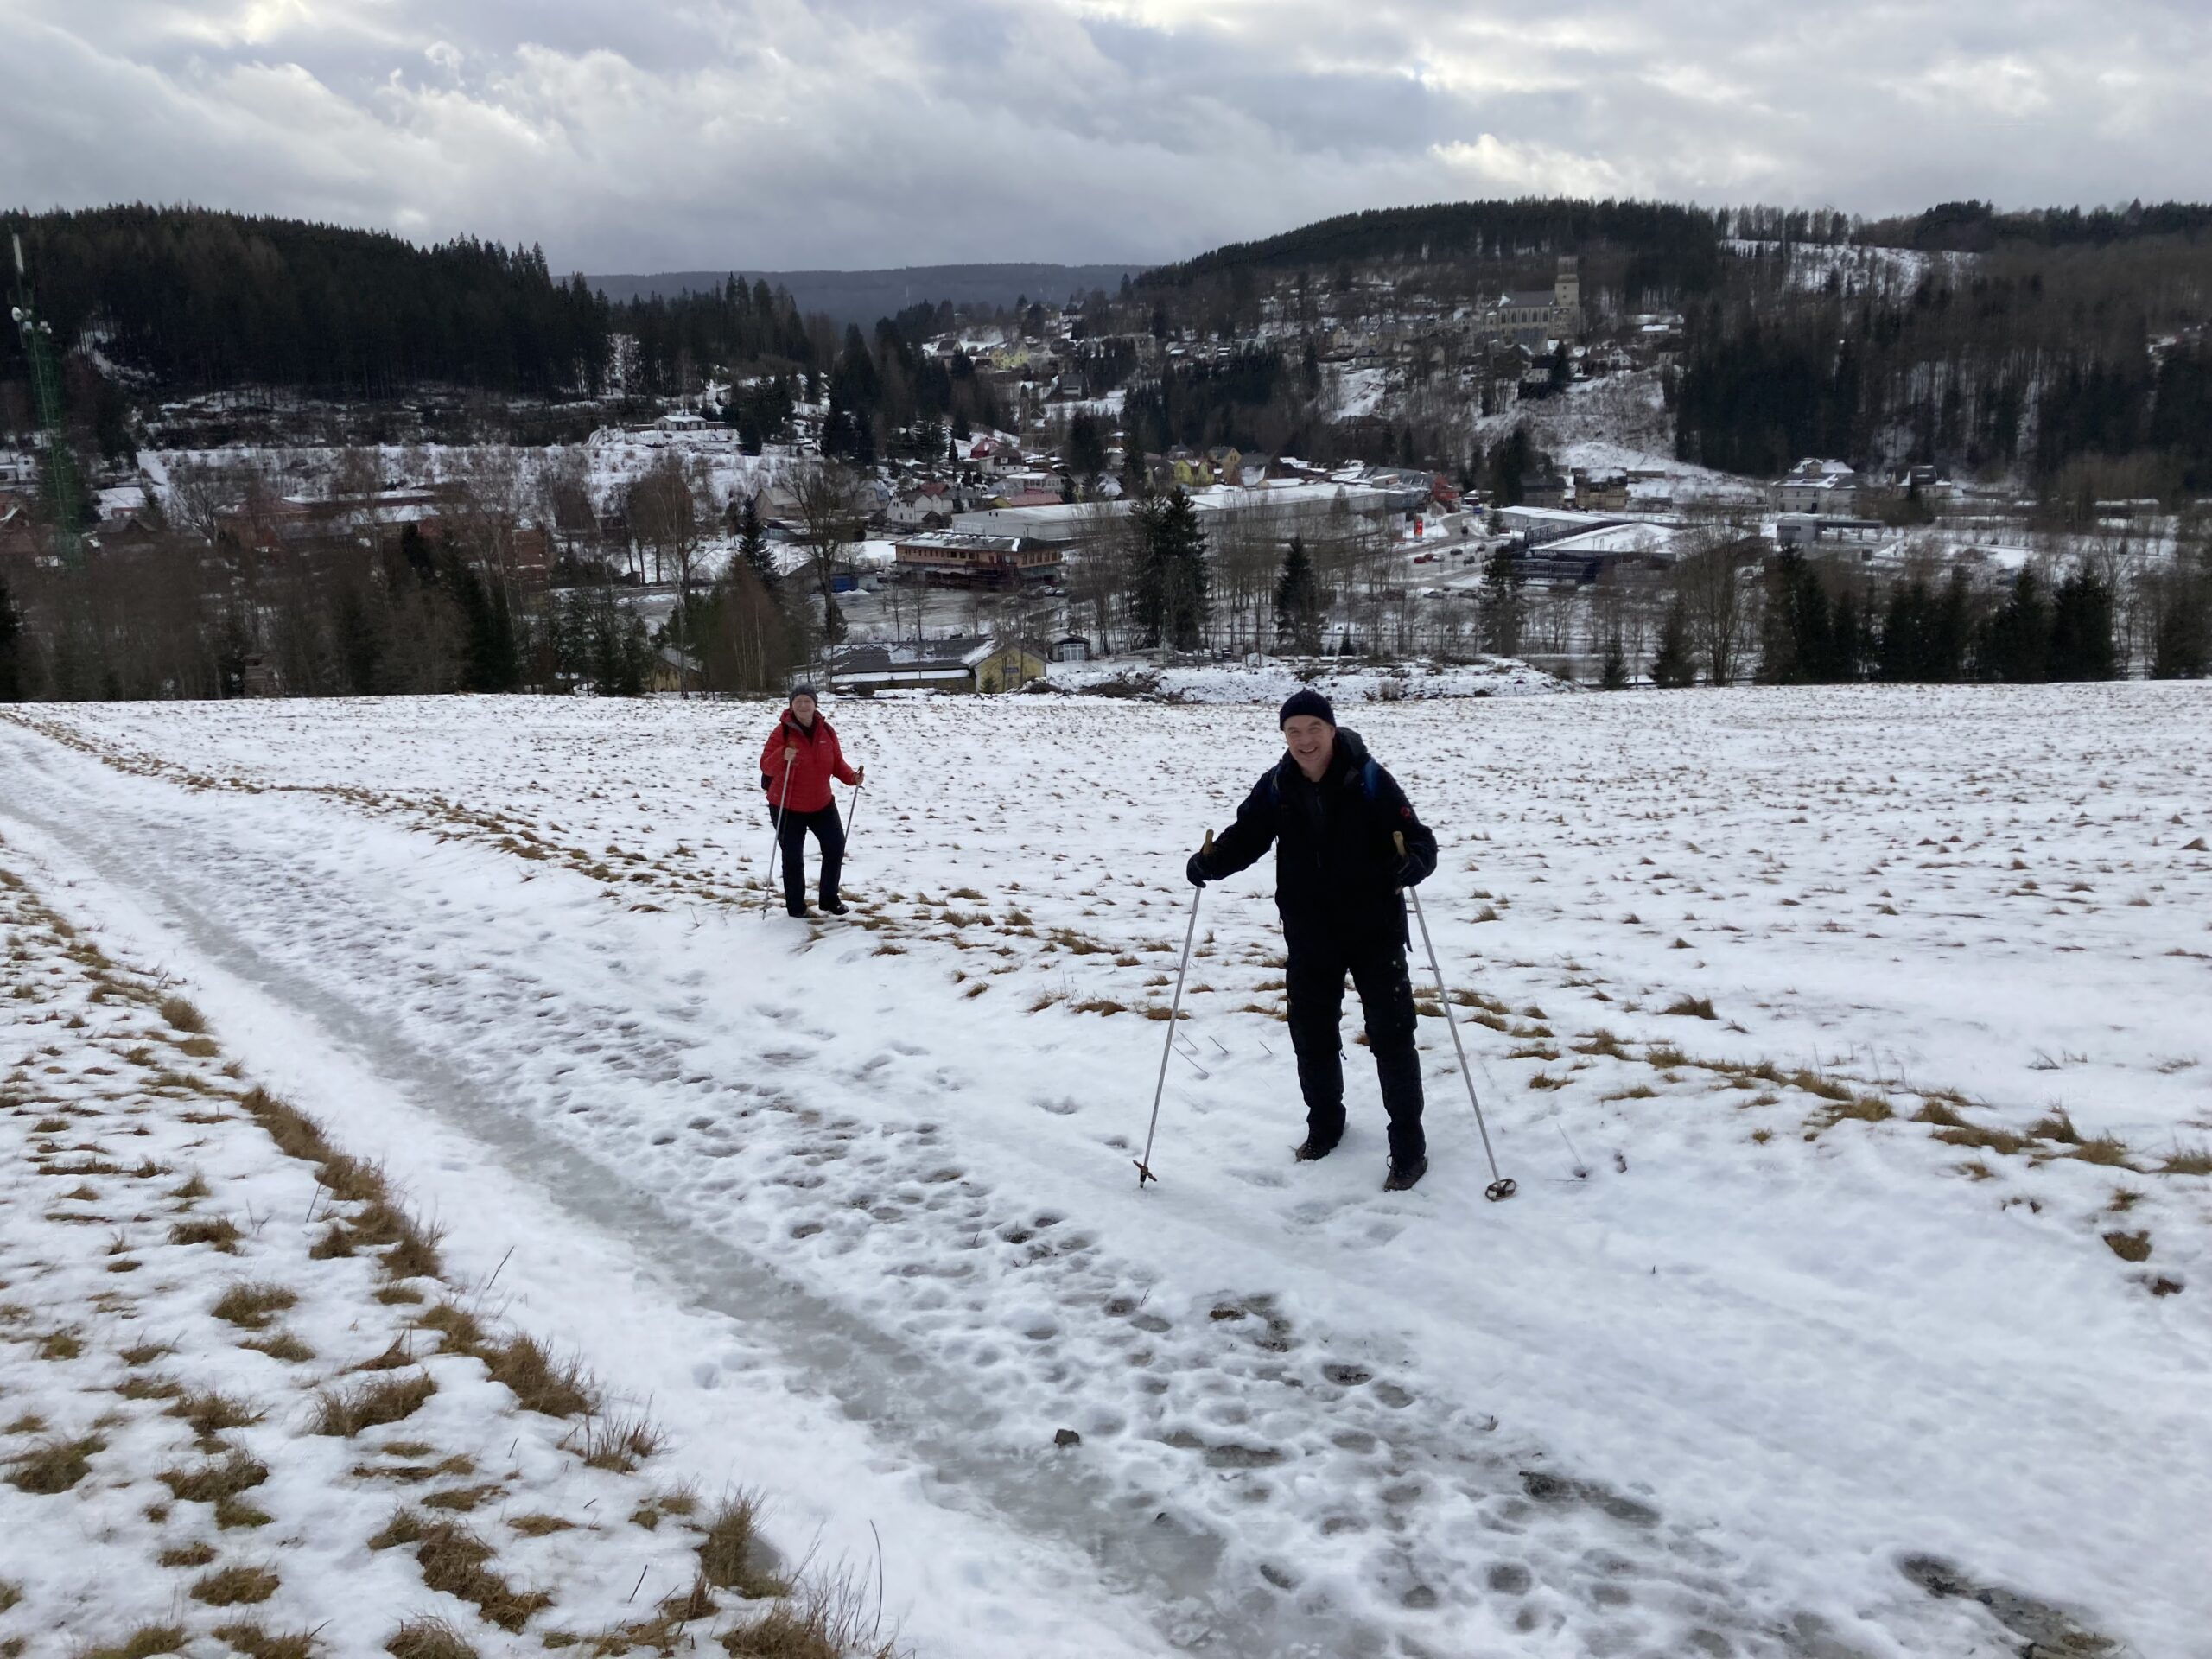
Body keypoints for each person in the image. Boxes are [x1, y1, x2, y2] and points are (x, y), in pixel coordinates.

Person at [1186, 690, 1439, 1191]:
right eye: (1293, 731)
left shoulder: (1369, 778)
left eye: (1313, 729)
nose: (1304, 740)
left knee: (1391, 1036)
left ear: (1331, 729)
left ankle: (1408, 1145)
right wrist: (1210, 864)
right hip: (1309, 930)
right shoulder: (1278, 784)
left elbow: (1420, 841)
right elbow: (1247, 835)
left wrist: (1415, 863)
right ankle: (1325, 1124)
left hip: (1374, 929)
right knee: (1311, 1031)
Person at [760, 685, 863, 918]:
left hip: (822, 804)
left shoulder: (826, 731)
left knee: (835, 847)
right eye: (798, 702)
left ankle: (829, 899)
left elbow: (837, 763)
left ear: (815, 705)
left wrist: (851, 777)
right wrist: (782, 754)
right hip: (787, 805)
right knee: (793, 858)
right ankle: (796, 908)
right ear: (791, 705)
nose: (803, 706)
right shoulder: (781, 733)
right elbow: (766, 766)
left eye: (807, 701)